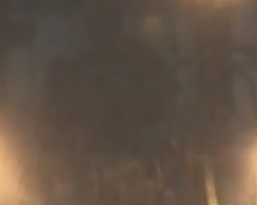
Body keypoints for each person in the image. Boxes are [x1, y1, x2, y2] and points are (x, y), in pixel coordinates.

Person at [41, 9, 180, 156]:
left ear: (118, 29)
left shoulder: (145, 61)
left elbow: (170, 94)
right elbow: (59, 114)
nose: (104, 37)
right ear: (91, 33)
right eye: (98, 31)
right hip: (90, 150)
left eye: (108, 29)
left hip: (143, 148)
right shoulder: (79, 67)